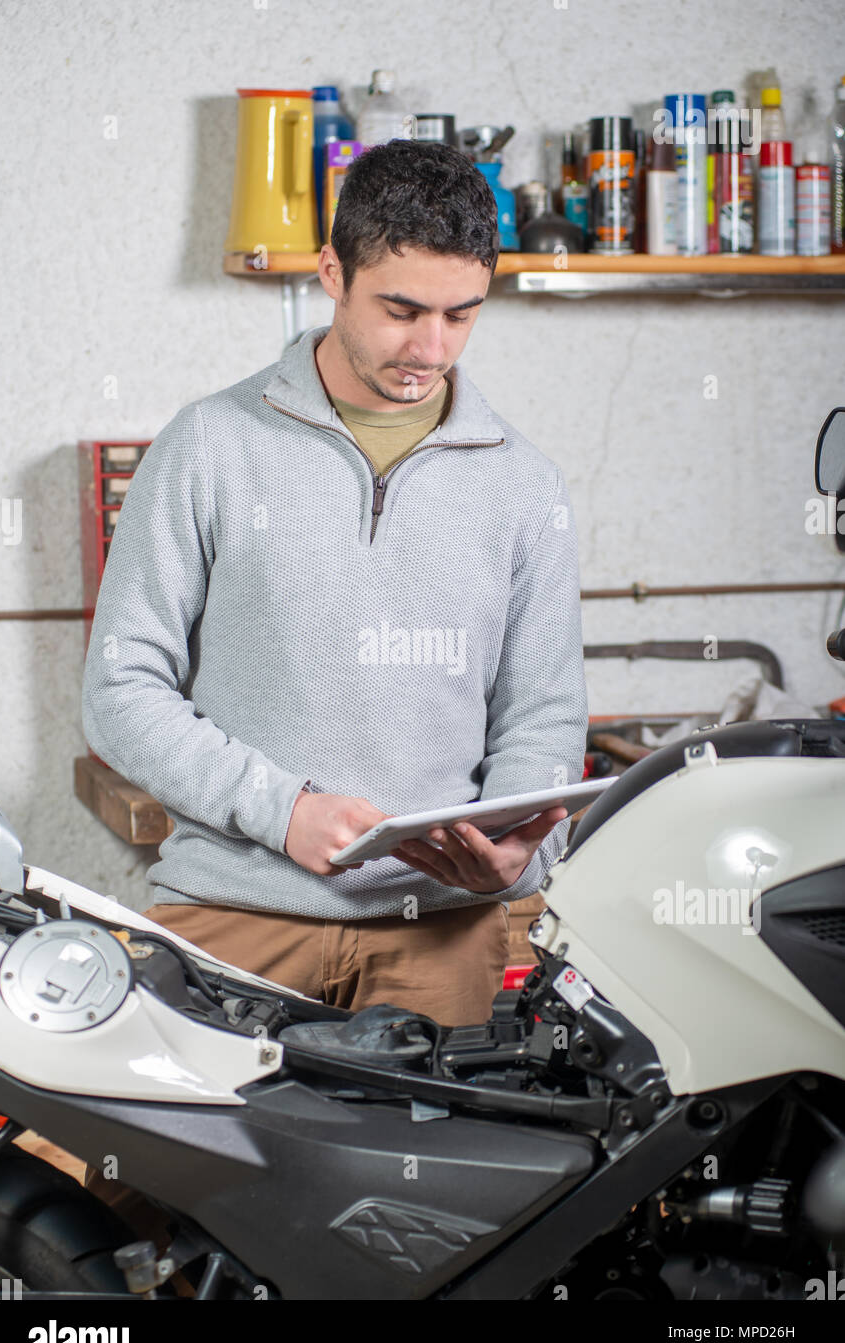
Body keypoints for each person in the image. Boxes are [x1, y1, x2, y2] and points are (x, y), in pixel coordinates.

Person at [81, 138, 588, 1035]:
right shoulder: (209, 446)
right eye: (401, 309)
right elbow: (120, 693)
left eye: (461, 315)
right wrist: (283, 813)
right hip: (232, 917)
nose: (428, 348)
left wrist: (520, 853)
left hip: (437, 932)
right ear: (331, 272)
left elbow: (542, 718)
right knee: (177, 1174)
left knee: (429, 1174)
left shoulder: (524, 483)